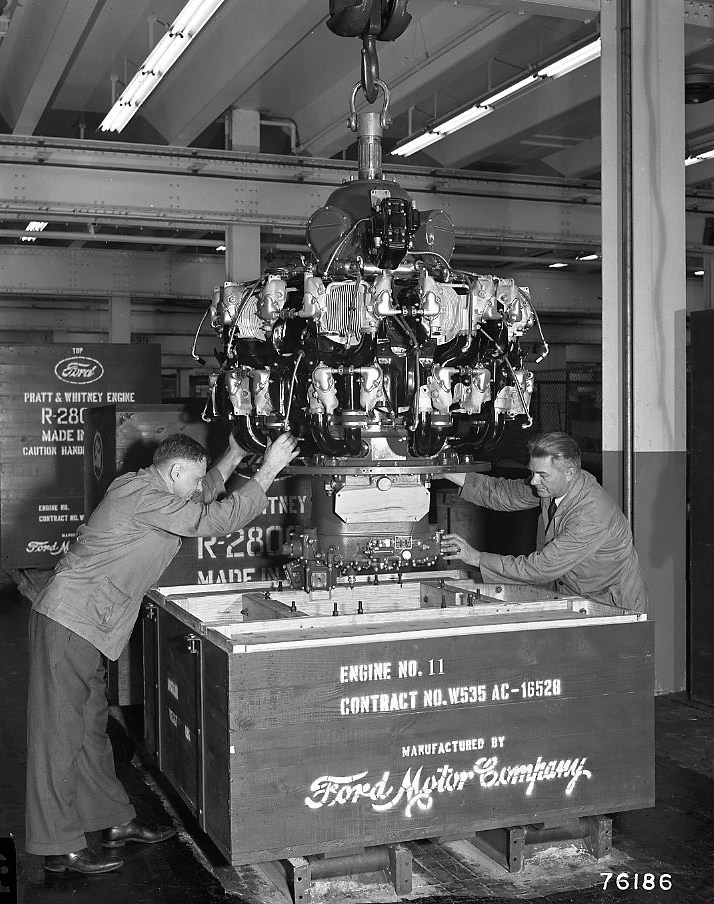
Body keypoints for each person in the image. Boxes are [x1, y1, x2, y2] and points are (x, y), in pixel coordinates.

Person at [26, 430, 299, 875]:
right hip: (69, 622)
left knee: (89, 729)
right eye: (192, 480)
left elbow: (202, 496)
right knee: (58, 736)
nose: (198, 488)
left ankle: (111, 822)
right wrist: (268, 471)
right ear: (174, 471)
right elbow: (214, 519)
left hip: (89, 627)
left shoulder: (151, 487)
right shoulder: (143, 497)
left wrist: (232, 457)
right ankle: (57, 846)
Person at [440, 431, 647, 612]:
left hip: (612, 605)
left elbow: (541, 568)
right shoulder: (557, 486)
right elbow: (505, 493)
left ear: (569, 473)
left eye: (541, 475)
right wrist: (445, 470)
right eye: (532, 472)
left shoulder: (591, 517)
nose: (533, 481)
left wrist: (476, 558)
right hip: (575, 593)